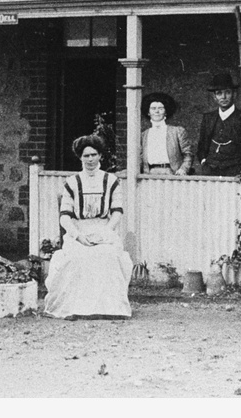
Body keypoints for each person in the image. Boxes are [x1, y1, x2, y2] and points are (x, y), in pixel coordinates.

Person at [43, 135, 133, 319]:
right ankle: (76, 308)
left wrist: (106, 232)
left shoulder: (111, 181)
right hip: (78, 230)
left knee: (108, 255)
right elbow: (65, 217)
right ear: (80, 157)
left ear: (100, 155)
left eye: (94, 155)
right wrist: (77, 236)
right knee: (77, 257)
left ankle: (109, 309)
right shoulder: (72, 182)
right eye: (86, 156)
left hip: (103, 229)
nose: (90, 159)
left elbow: (117, 211)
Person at [196, 73, 241, 176]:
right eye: (219, 93)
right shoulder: (208, 118)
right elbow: (202, 146)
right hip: (211, 171)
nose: (223, 97)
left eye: (227, 92)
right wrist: (204, 162)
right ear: (214, 97)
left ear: (234, 94)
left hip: (236, 172)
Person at [140, 92, 194, 175]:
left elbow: (188, 154)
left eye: (160, 108)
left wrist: (183, 169)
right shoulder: (144, 135)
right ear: (148, 112)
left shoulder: (177, 131)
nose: (157, 111)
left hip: (171, 173)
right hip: (149, 174)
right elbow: (139, 159)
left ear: (166, 112)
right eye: (153, 108)